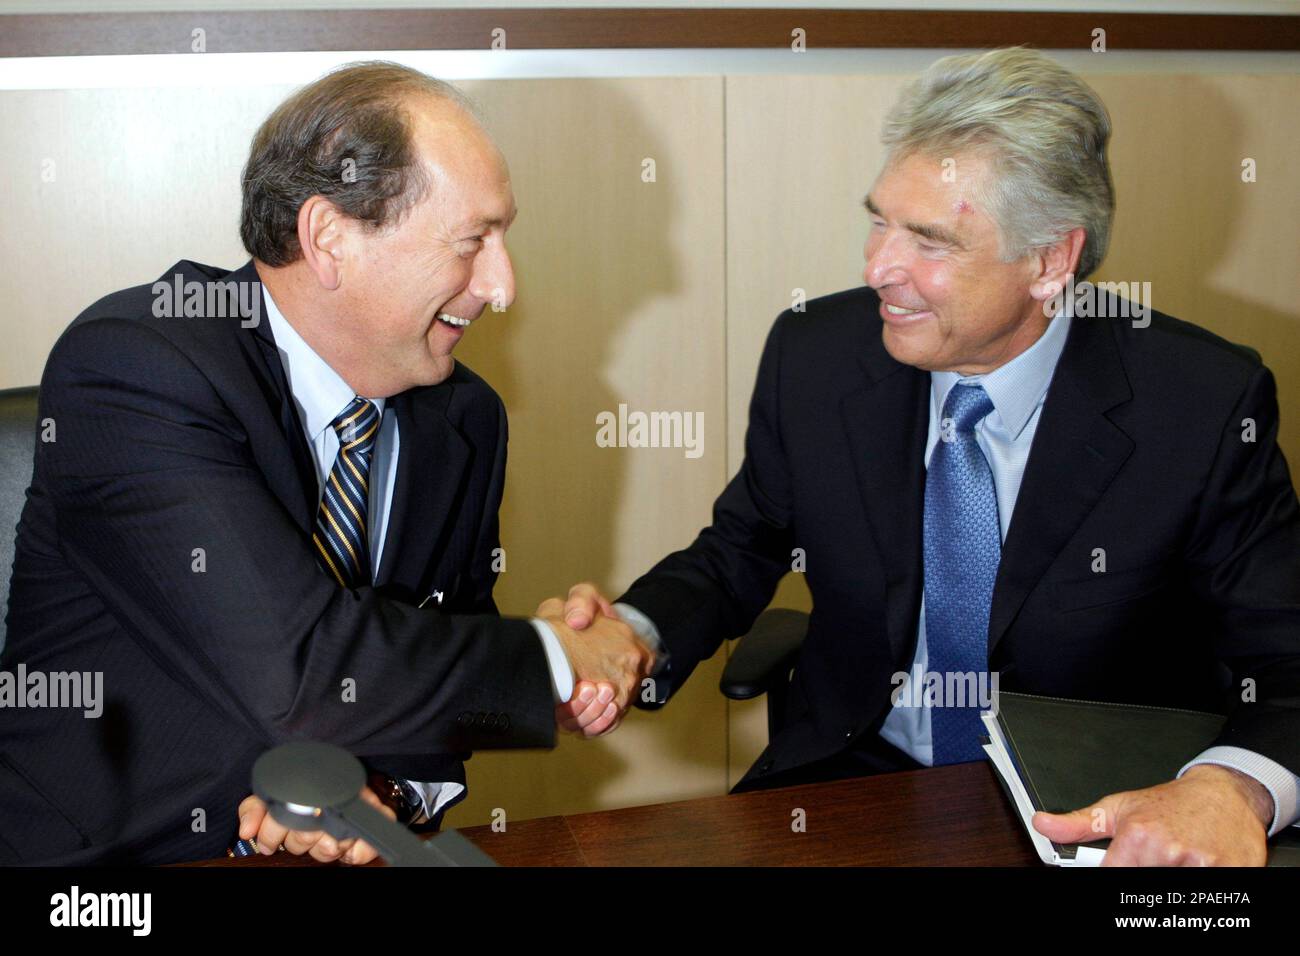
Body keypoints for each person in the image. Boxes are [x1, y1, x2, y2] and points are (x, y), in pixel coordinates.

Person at [556, 47, 1300, 866]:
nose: (879, 269)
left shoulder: (1199, 403)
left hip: (1095, 812)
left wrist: (1231, 787)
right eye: (879, 220)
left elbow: (1287, 660)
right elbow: (745, 544)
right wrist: (634, 633)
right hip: (854, 777)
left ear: (1050, 260)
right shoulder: (818, 354)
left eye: (930, 241)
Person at [0, 61, 653, 866]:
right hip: (107, 873)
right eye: (473, 240)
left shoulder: (465, 416)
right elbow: (299, 670)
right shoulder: (135, 365)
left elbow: (439, 655)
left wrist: (382, 799)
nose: (504, 285)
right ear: (330, 237)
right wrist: (551, 658)